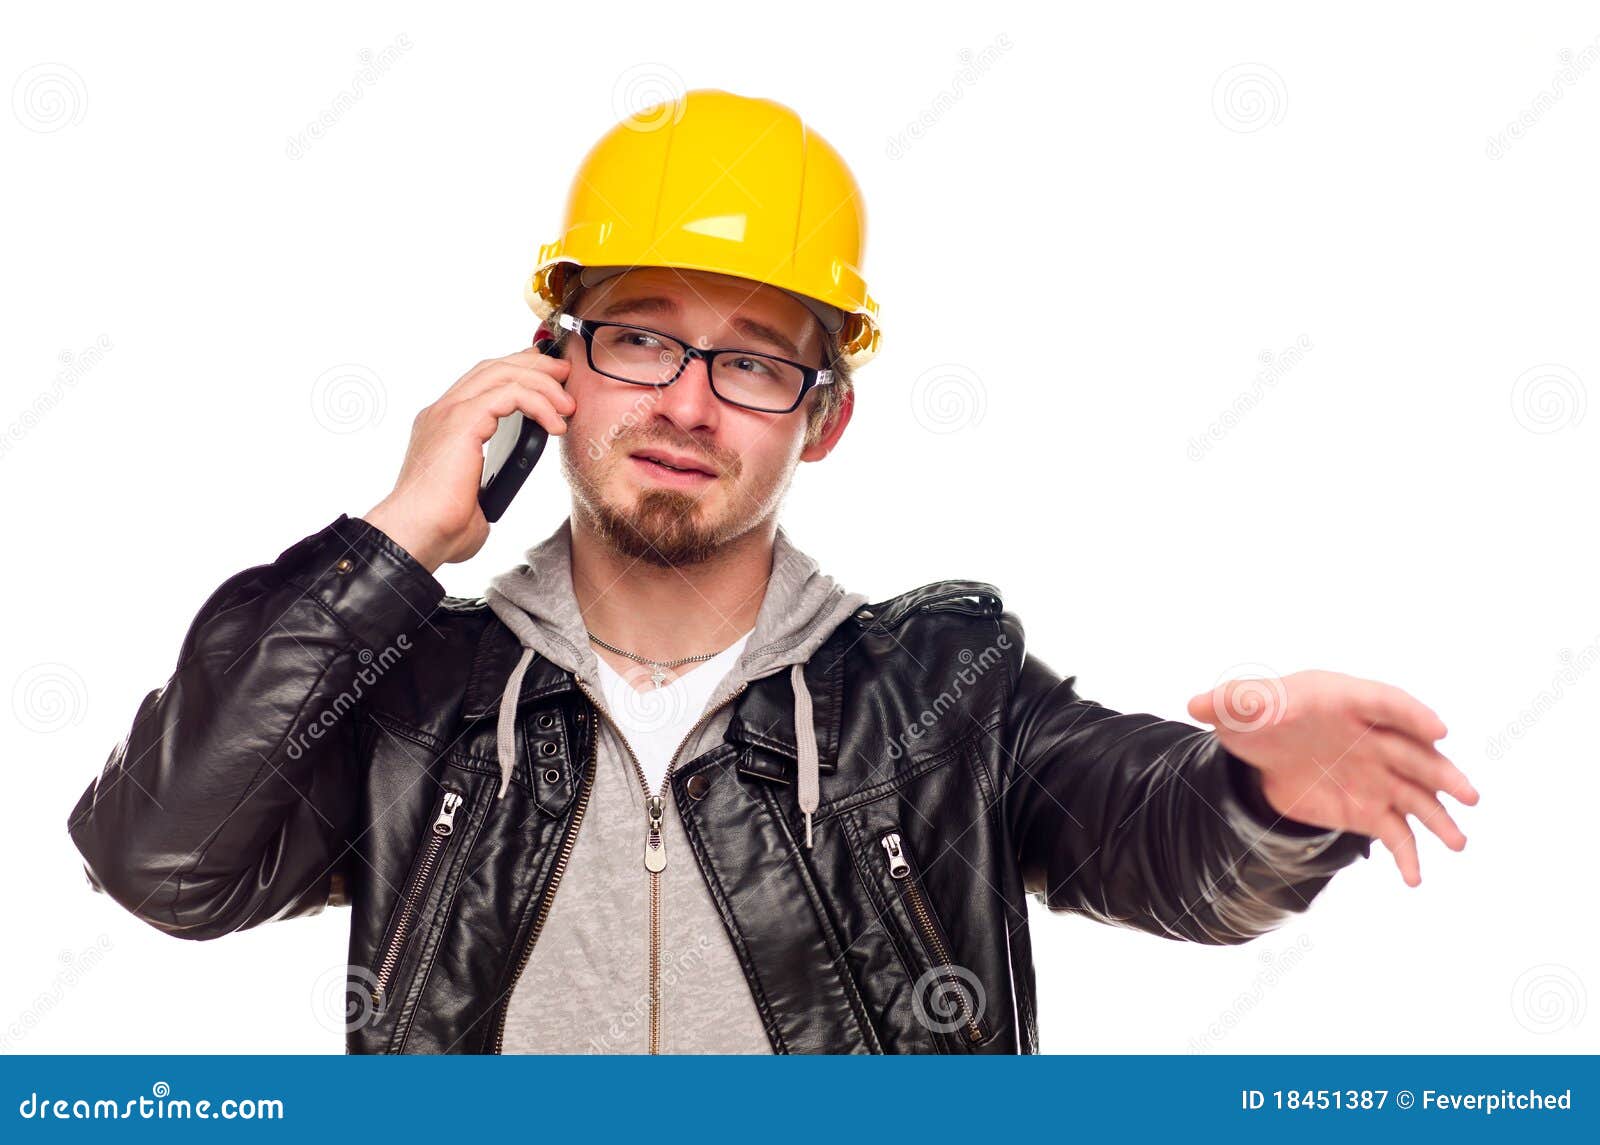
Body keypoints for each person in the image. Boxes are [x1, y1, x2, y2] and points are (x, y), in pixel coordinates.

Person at [66, 88, 1478, 1055]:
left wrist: (1269, 794)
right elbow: (160, 858)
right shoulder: (418, 689)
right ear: (557, 365)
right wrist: (391, 543)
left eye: (750, 358)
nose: (686, 401)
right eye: (639, 335)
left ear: (824, 414)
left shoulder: (944, 689)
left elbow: (1167, 845)